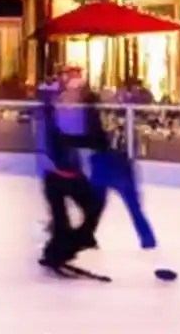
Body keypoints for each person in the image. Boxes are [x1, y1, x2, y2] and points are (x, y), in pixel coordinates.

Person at [35, 76, 107, 271]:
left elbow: (96, 140)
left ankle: (75, 243)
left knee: (94, 207)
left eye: (77, 93)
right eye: (70, 92)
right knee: (60, 221)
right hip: (55, 175)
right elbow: (49, 142)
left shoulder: (84, 114)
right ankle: (54, 254)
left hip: (74, 175)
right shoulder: (52, 113)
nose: (72, 96)